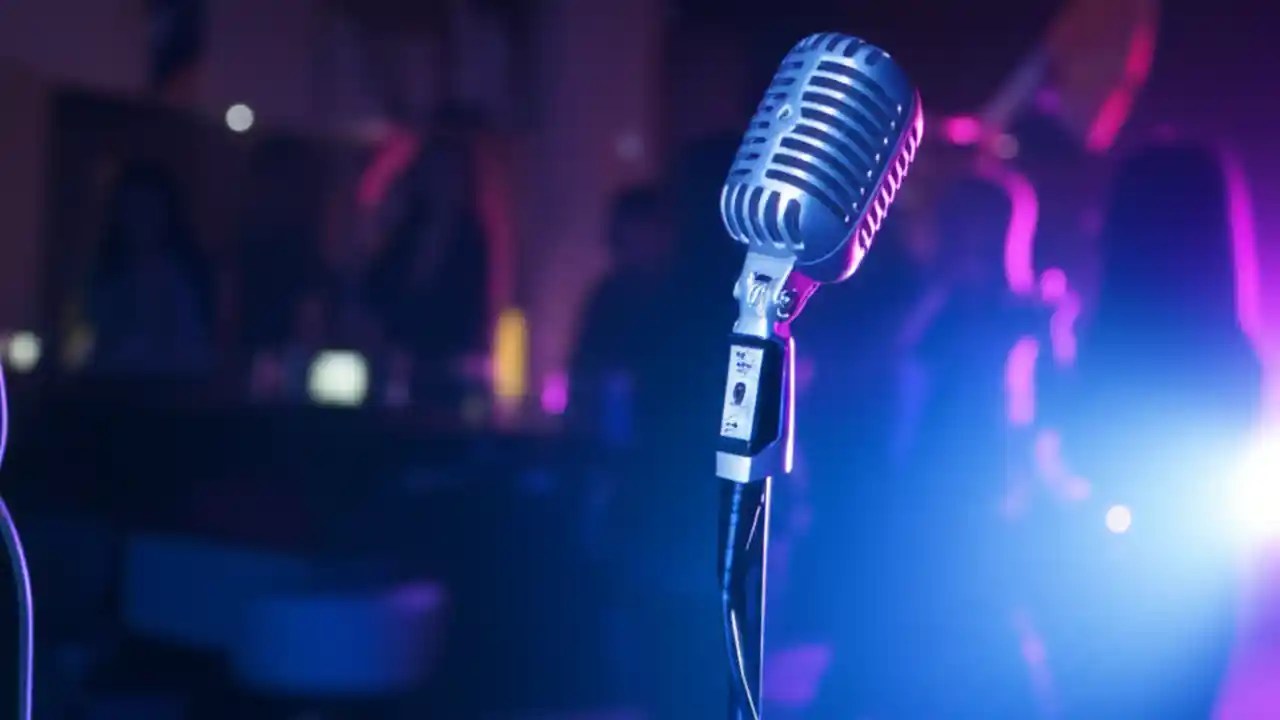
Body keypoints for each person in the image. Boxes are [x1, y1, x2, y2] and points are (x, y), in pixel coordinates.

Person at [1045, 141, 1261, 719]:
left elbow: (1079, 447)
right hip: (1197, 568)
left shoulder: (1112, 340)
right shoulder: (1231, 347)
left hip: (1107, 558)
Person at [364, 108, 490, 397]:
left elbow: (469, 309)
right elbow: (376, 291)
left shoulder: (470, 239)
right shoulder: (407, 232)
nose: (442, 182)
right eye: (435, 171)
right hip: (394, 363)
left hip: (443, 372)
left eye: (449, 173)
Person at [86, 163, 214, 377]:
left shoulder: (185, 275)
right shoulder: (107, 274)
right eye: (131, 208)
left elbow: (194, 346)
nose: (139, 219)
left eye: (148, 208)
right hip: (112, 390)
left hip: (178, 392)